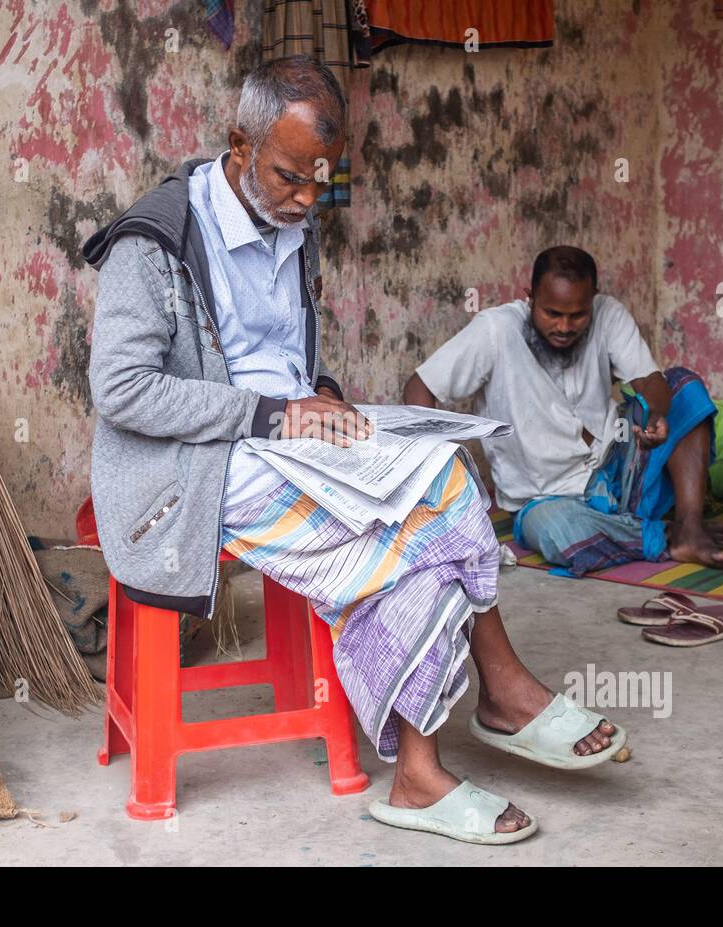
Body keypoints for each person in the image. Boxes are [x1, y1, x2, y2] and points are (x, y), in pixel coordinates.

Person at [84, 57, 624, 845]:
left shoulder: (290, 224)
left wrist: (321, 397)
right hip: (188, 471)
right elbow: (125, 392)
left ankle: (431, 760)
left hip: (284, 441)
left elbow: (287, 363)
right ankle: (476, 712)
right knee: (412, 530)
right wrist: (276, 414)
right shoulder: (155, 240)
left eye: (320, 181)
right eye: (290, 176)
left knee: (441, 469)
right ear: (240, 142)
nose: (306, 199)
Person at [404, 245, 723, 577]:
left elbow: (650, 380)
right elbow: (421, 387)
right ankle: (666, 535)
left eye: (577, 315)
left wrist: (656, 415)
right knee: (556, 532)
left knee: (684, 388)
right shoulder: (496, 329)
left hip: (618, 471)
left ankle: (689, 525)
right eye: (552, 313)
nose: (564, 327)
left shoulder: (609, 314)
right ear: (530, 297)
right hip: (547, 498)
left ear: (593, 298)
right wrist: (438, 478)